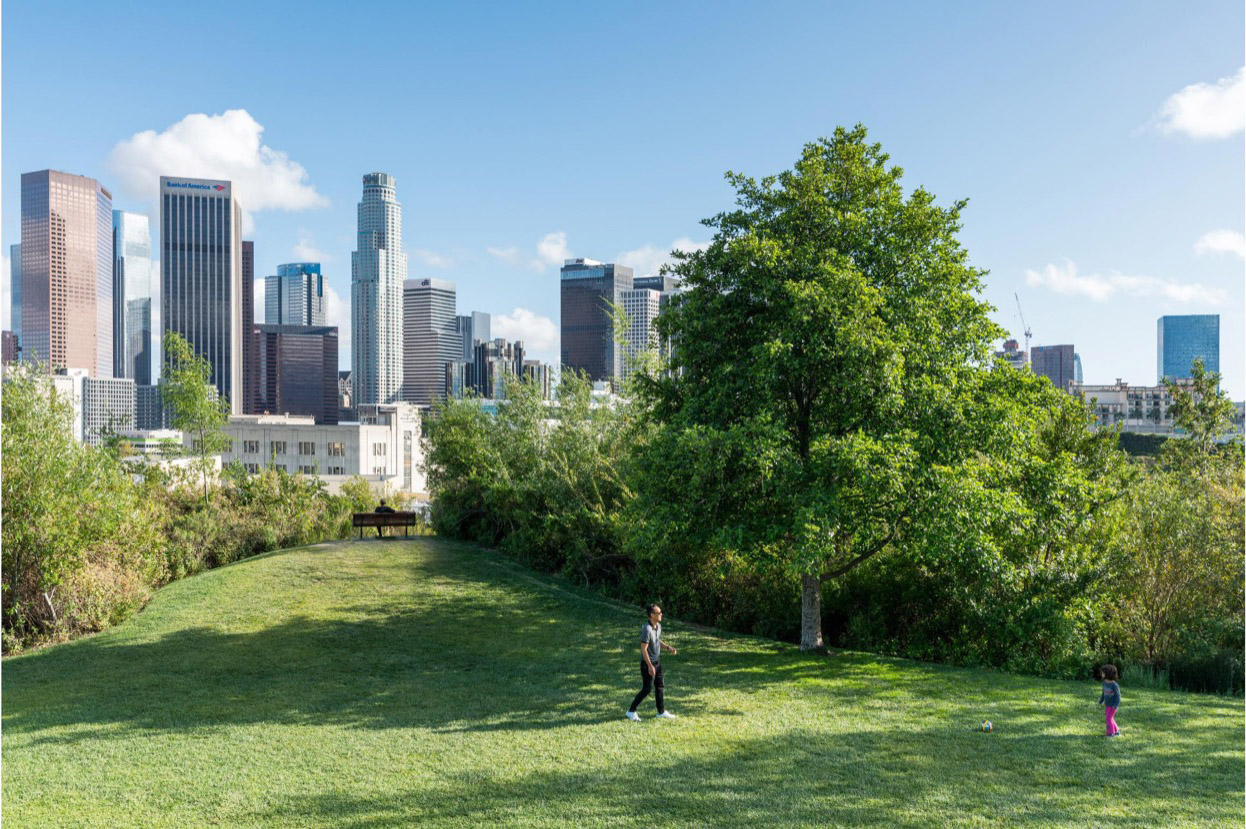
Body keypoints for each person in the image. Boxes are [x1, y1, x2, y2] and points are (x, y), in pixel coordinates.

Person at [626, 604, 677, 721]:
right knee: (647, 689)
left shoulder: (658, 626)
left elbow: (657, 641)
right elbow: (643, 649)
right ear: (652, 615)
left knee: (659, 686)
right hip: (647, 664)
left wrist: (668, 647)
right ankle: (631, 711)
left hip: (657, 662)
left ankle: (661, 712)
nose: (661, 614)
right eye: (659, 613)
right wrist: (649, 666)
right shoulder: (647, 629)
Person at [1098, 664, 1122, 737]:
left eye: (1103, 673)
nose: (1102, 674)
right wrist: (1101, 701)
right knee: (1110, 718)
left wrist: (1115, 705)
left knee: (1108, 718)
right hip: (1107, 704)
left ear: (1108, 674)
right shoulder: (1104, 683)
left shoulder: (1114, 685)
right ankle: (1116, 731)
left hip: (1113, 705)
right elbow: (1103, 693)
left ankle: (1110, 733)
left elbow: (1118, 697)